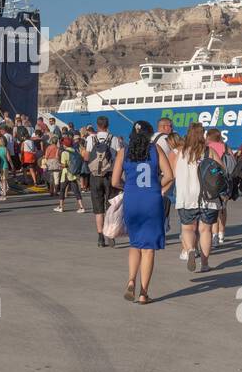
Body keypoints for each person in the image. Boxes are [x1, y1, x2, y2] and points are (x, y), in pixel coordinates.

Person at [113, 121, 173, 305]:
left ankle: (131, 279)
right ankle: (143, 293)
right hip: (151, 200)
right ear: (149, 135)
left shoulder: (124, 152)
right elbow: (169, 175)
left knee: (135, 243)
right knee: (148, 249)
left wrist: (129, 187)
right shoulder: (155, 150)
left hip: (132, 200)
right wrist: (156, 187)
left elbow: (115, 181)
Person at [174, 123, 218, 273]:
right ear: (203, 135)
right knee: (205, 230)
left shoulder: (180, 152)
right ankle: (204, 264)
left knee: (188, 228)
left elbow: (174, 173)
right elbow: (221, 171)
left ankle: (191, 249)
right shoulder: (209, 151)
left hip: (186, 196)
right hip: (208, 196)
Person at [86, 116, 124, 247]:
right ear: (108, 125)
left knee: (98, 208)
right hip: (109, 175)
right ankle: (110, 234)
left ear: (97, 125)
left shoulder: (90, 138)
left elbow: (86, 156)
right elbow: (120, 156)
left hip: (95, 176)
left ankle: (100, 237)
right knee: (111, 206)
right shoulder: (114, 139)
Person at [54, 135, 87, 213]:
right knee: (76, 191)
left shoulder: (64, 152)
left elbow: (63, 165)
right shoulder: (75, 151)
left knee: (62, 190)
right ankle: (81, 207)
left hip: (66, 173)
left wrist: (58, 162)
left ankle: (61, 206)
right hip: (73, 174)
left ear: (64, 144)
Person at [0, 135, 12, 200]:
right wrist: (12, 165)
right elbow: (9, 159)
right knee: (4, 180)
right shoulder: (5, 149)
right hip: (4, 166)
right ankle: (4, 194)